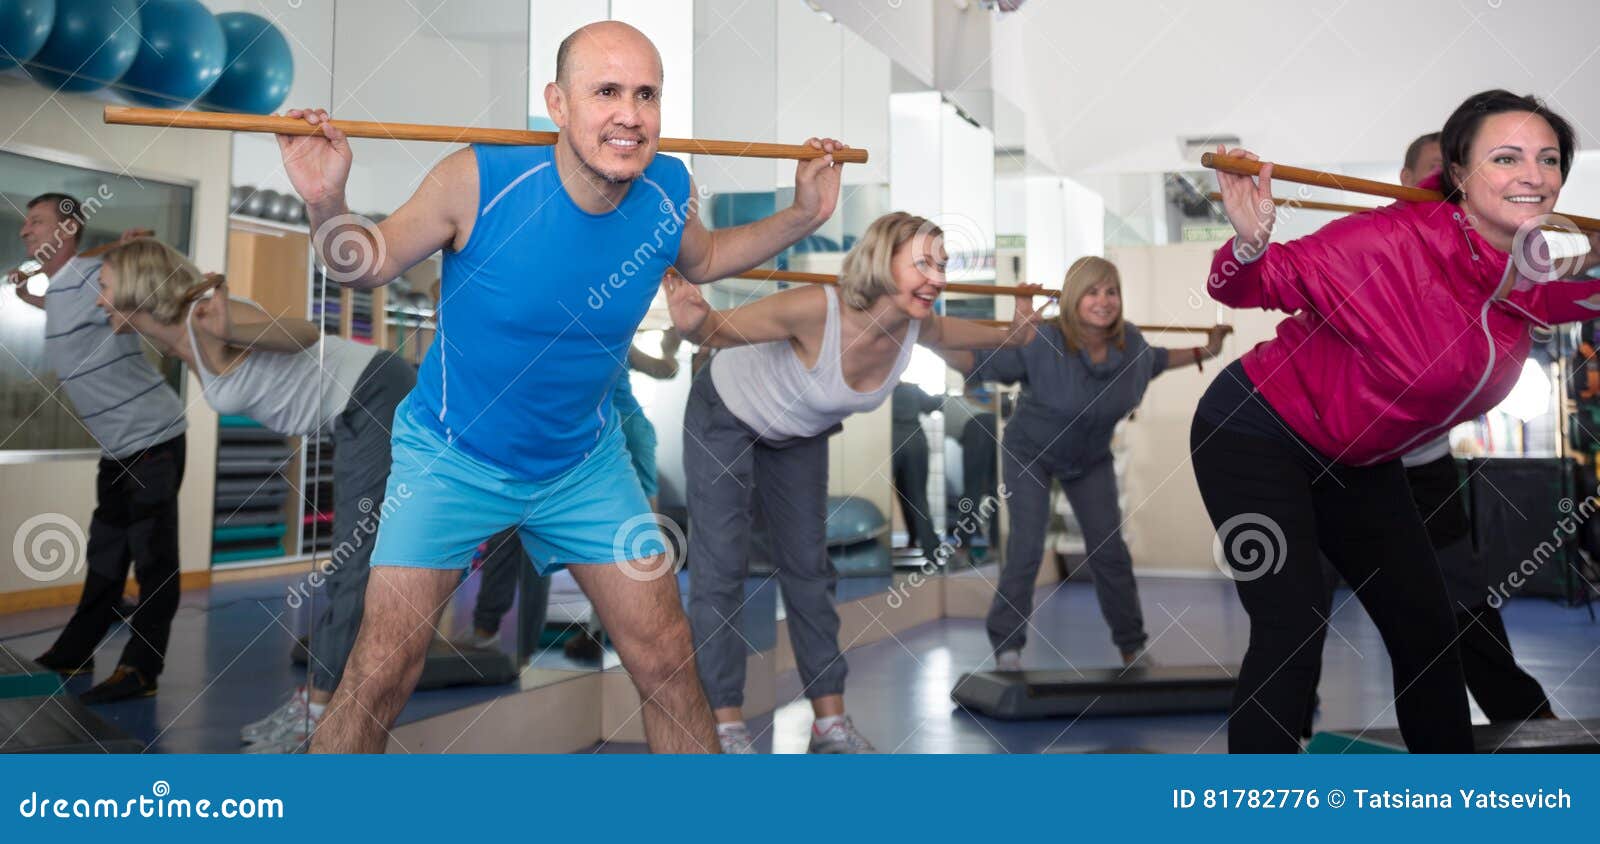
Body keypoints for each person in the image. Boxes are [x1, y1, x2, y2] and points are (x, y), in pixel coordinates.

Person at [276, 20, 848, 754]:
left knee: (670, 661)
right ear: (557, 103)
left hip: (585, 466)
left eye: (646, 95)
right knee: (382, 671)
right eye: (605, 91)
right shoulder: (476, 179)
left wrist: (804, 214)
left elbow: (703, 260)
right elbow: (368, 263)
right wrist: (326, 201)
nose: (630, 114)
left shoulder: (669, 187)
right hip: (451, 459)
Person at [1195, 90, 1600, 753]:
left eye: (1548, 159)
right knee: (1292, 621)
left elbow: (1568, 296)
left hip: (1358, 459)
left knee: (1428, 630)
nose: (1533, 174)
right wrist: (1248, 242)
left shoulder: (1521, 274)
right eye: (1507, 157)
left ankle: (1447, 800)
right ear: (1461, 174)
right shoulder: (1387, 243)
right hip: (1255, 431)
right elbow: (1250, 286)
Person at [665, 211, 1043, 753]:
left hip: (798, 432)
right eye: (921, 262)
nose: (936, 276)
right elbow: (716, 330)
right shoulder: (816, 309)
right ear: (880, 260)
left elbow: (999, 338)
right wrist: (691, 320)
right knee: (722, 565)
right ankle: (724, 723)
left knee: (810, 571)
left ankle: (829, 723)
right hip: (726, 414)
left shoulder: (919, 325)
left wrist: (1017, 330)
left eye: (942, 264)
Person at [89, 236, 417, 751]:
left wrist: (232, 328)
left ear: (133, 288)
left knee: (353, 563)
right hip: (346, 414)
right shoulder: (177, 341)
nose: (98, 299)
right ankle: (318, 699)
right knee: (351, 558)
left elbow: (305, 332)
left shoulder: (205, 315)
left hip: (373, 393)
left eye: (104, 287)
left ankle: (317, 707)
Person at [1302, 131, 1554, 736]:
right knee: (1302, 607)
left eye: (1455, 175)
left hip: (1428, 468)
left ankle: (1528, 721)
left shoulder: (1485, 254)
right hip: (1345, 466)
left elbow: (1534, 298)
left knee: (1464, 606)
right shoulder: (1381, 245)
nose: (1444, 187)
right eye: (1432, 174)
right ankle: (1288, 729)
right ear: (1406, 177)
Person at [941, 256, 1229, 670]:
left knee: (1110, 550)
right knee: (1025, 547)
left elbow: (1163, 359)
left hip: (1089, 458)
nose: (1104, 300)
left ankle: (1132, 646)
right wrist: (927, 336)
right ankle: (1008, 647)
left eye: (1111, 291)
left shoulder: (1132, 346)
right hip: (1031, 453)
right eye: (1092, 291)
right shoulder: (1041, 340)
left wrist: (1209, 348)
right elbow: (978, 363)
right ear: (1074, 298)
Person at [13, 196, 187, 705]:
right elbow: (54, 301)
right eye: (25, 223)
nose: (26, 231)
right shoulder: (67, 288)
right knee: (106, 553)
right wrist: (27, 290)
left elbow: (150, 283)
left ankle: (140, 669)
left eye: (37, 222)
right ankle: (76, 650)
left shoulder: (101, 274)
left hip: (153, 436)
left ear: (66, 229)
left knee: (153, 560)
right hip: (117, 449)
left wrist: (137, 252)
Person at [465, 332, 682, 662]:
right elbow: (664, 369)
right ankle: (604, 632)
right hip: (609, 430)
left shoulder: (568, 325)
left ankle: (498, 631)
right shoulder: (608, 325)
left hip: (586, 433)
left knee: (629, 542)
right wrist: (671, 347)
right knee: (635, 541)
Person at [890, 381, 942, 562]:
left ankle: (915, 541)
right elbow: (934, 405)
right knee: (917, 495)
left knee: (902, 493)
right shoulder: (911, 389)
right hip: (915, 440)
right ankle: (930, 548)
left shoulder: (879, 388)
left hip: (891, 438)